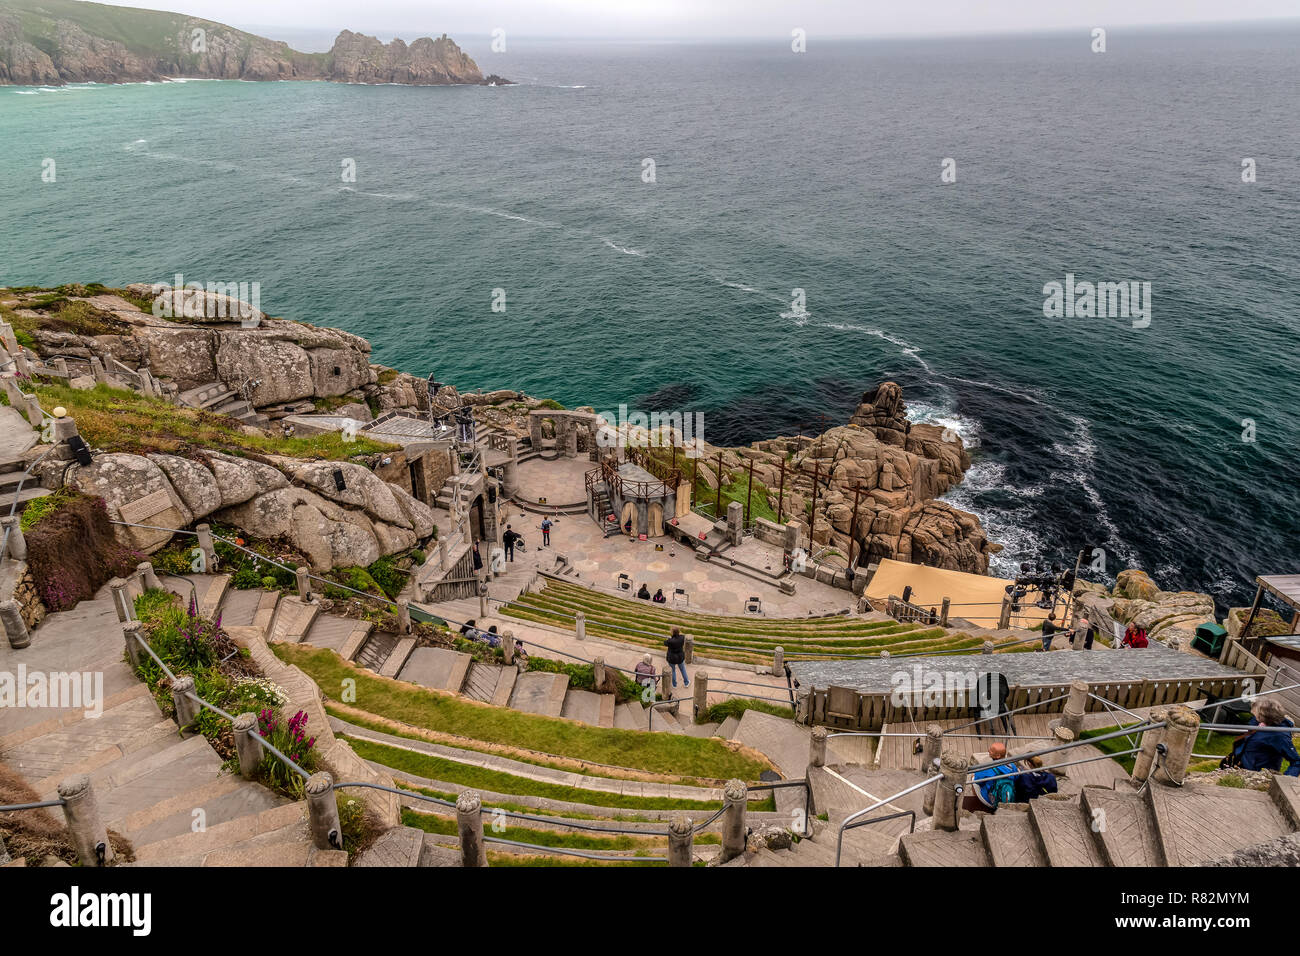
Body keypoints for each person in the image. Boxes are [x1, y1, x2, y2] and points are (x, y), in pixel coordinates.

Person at [1223, 699, 1300, 776]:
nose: (1253, 715)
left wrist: (1284, 781)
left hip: (1254, 773)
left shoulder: (1280, 736)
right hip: (1240, 761)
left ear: (1265, 716)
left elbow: (1296, 761)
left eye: (1255, 714)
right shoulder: (1258, 721)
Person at [961, 742, 1019, 814]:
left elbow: (978, 781)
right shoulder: (1012, 766)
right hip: (1007, 797)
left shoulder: (988, 768)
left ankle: (977, 800)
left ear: (998, 756)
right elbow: (1016, 777)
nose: (988, 750)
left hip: (989, 801)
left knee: (973, 778)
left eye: (991, 750)